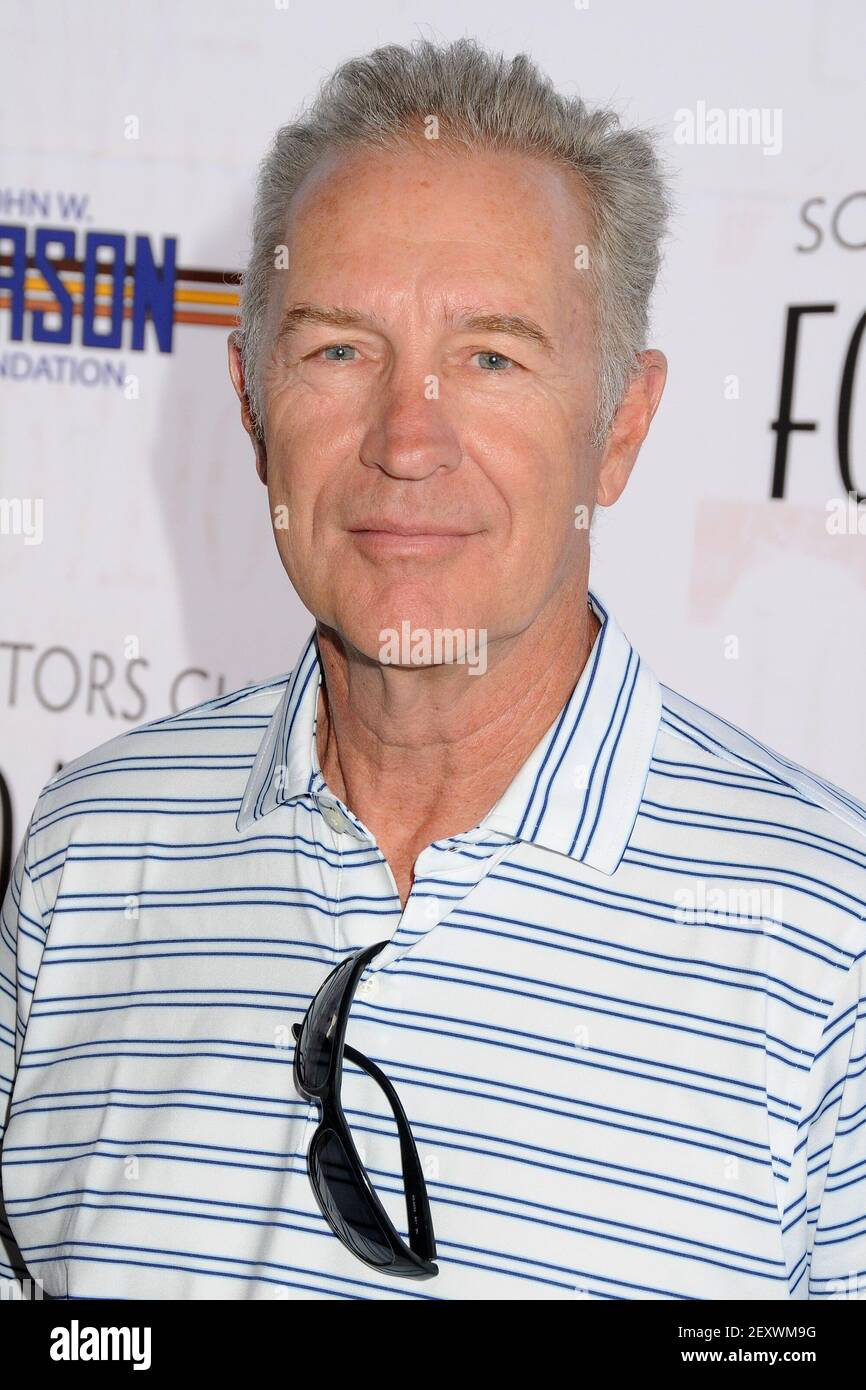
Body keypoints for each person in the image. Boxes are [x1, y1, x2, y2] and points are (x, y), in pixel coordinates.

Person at [1, 37, 864, 1301]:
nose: (408, 439)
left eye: (492, 357)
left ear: (619, 425)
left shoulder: (829, 949)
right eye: (339, 349)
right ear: (249, 403)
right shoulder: (89, 851)